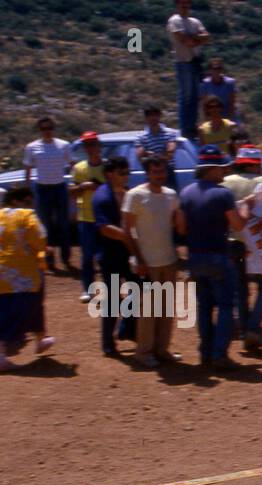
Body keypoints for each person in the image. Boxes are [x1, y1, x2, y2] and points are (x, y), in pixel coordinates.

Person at [179, 144, 245, 369]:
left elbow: (180, 227)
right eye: (220, 168)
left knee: (204, 306)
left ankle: (205, 352)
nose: (223, 172)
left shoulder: (186, 193)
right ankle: (219, 354)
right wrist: (246, 210)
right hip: (218, 256)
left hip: (195, 257)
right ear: (212, 169)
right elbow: (237, 224)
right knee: (226, 305)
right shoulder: (223, 193)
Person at [121, 154, 181, 367]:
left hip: (168, 260)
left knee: (166, 309)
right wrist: (138, 258)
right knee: (148, 311)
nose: (159, 175)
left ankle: (162, 349)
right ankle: (143, 352)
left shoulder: (171, 195)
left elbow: (176, 226)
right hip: (147, 262)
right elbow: (127, 231)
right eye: (155, 172)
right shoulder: (135, 195)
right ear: (147, 173)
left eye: (162, 171)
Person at [0, 186, 50, 372]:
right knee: (26, 308)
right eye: (27, 200)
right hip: (23, 274)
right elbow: (40, 239)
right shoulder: (27, 216)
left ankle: (8, 352)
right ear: (16, 201)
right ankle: (16, 346)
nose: (30, 204)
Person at [223, 145, 262, 349]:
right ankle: (253, 328)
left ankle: (244, 326)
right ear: (256, 165)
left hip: (232, 241)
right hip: (257, 243)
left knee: (240, 288)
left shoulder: (226, 182)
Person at [92, 155, 137, 357]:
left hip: (125, 251)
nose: (126, 176)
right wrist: (128, 237)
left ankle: (127, 328)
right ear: (110, 174)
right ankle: (108, 342)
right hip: (110, 253)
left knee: (138, 289)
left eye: (128, 172)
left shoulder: (126, 193)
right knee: (111, 299)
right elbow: (104, 228)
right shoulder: (102, 196)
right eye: (122, 173)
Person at [22, 116, 72, 272]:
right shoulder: (32, 147)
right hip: (42, 189)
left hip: (59, 188)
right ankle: (49, 261)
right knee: (45, 227)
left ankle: (66, 259)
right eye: (44, 129)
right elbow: (28, 170)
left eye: (49, 128)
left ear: (53, 129)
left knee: (64, 224)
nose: (47, 132)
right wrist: (27, 191)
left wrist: (73, 182)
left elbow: (73, 164)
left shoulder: (64, 145)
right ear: (39, 130)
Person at [68, 132, 106, 304]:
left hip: (104, 217)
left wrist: (97, 186)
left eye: (93, 144)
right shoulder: (79, 168)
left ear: (98, 145)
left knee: (105, 255)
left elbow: (115, 188)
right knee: (87, 256)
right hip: (86, 217)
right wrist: (83, 186)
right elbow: (71, 191)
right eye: (87, 145)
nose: (90, 148)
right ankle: (88, 289)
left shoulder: (107, 167)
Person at [167, 0, 210, 141]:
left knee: (195, 97)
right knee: (186, 96)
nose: (184, 6)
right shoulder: (175, 21)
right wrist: (197, 39)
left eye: (187, 3)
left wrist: (193, 39)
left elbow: (207, 37)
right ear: (177, 5)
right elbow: (186, 41)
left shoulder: (195, 21)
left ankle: (192, 127)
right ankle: (185, 128)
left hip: (196, 62)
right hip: (183, 62)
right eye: (182, 4)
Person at [135, 106, 179, 188]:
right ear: (146, 118)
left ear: (159, 116)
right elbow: (140, 158)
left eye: (155, 115)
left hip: (168, 173)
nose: (152, 118)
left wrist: (150, 155)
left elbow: (170, 152)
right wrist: (162, 155)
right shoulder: (141, 137)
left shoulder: (170, 133)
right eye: (149, 115)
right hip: (151, 174)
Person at [198, 57, 238, 123]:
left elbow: (231, 103)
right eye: (214, 69)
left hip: (227, 116)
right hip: (212, 118)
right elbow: (203, 105)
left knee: (240, 131)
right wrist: (206, 121)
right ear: (210, 70)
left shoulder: (230, 83)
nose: (217, 71)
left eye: (219, 68)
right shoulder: (205, 84)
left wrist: (229, 121)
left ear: (222, 69)